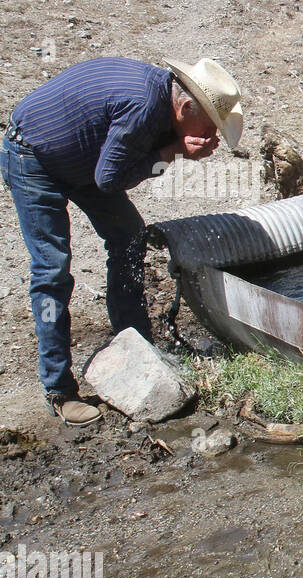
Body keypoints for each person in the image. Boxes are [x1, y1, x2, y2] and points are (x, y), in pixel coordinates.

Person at [0, 56, 243, 425]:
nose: (211, 138)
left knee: (129, 236)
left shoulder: (164, 104)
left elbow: (112, 169)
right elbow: (110, 180)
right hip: (34, 157)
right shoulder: (144, 107)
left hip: (81, 159)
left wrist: (171, 152)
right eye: (209, 126)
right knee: (53, 270)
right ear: (185, 106)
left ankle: (137, 346)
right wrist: (175, 153)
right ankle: (59, 390)